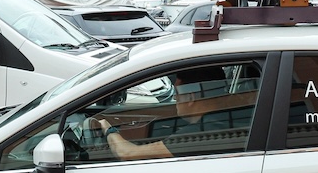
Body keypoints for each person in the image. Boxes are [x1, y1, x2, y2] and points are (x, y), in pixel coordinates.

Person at [89, 65, 237, 161]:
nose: (174, 97)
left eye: (177, 93)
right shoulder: (226, 119)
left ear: (190, 97)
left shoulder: (202, 132)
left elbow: (127, 153)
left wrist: (107, 128)